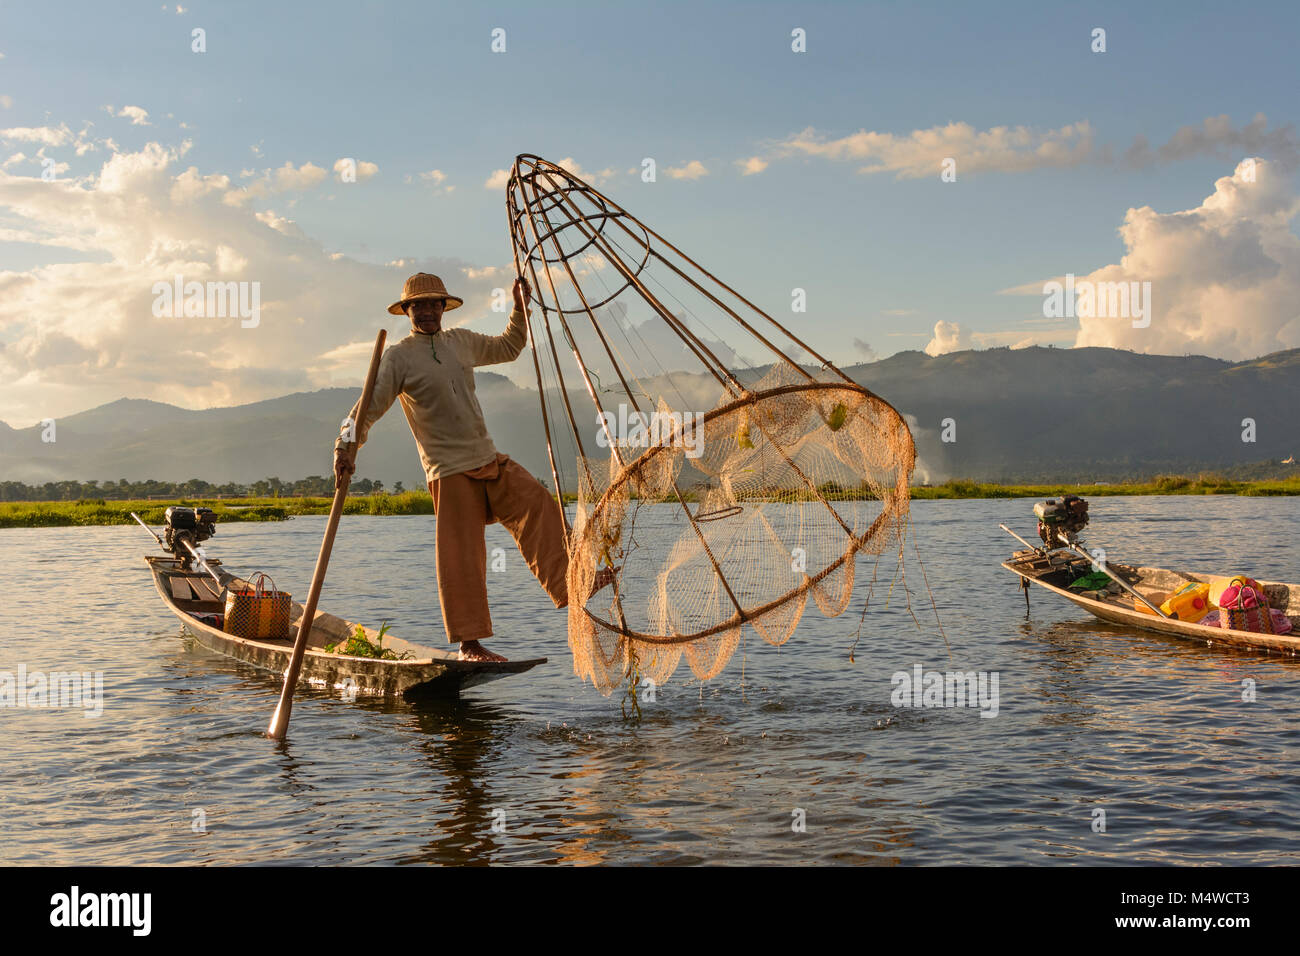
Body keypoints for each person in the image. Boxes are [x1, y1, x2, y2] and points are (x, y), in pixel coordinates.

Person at [333, 272, 612, 662]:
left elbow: (510, 347)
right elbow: (365, 409)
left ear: (443, 308)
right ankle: (470, 645)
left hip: (487, 457)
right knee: (462, 555)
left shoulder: (460, 342)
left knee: (538, 502)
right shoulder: (398, 357)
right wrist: (345, 445)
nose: (427, 311)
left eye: (434, 304)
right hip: (448, 469)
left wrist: (518, 306)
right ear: (408, 311)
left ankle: (571, 584)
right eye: (419, 305)